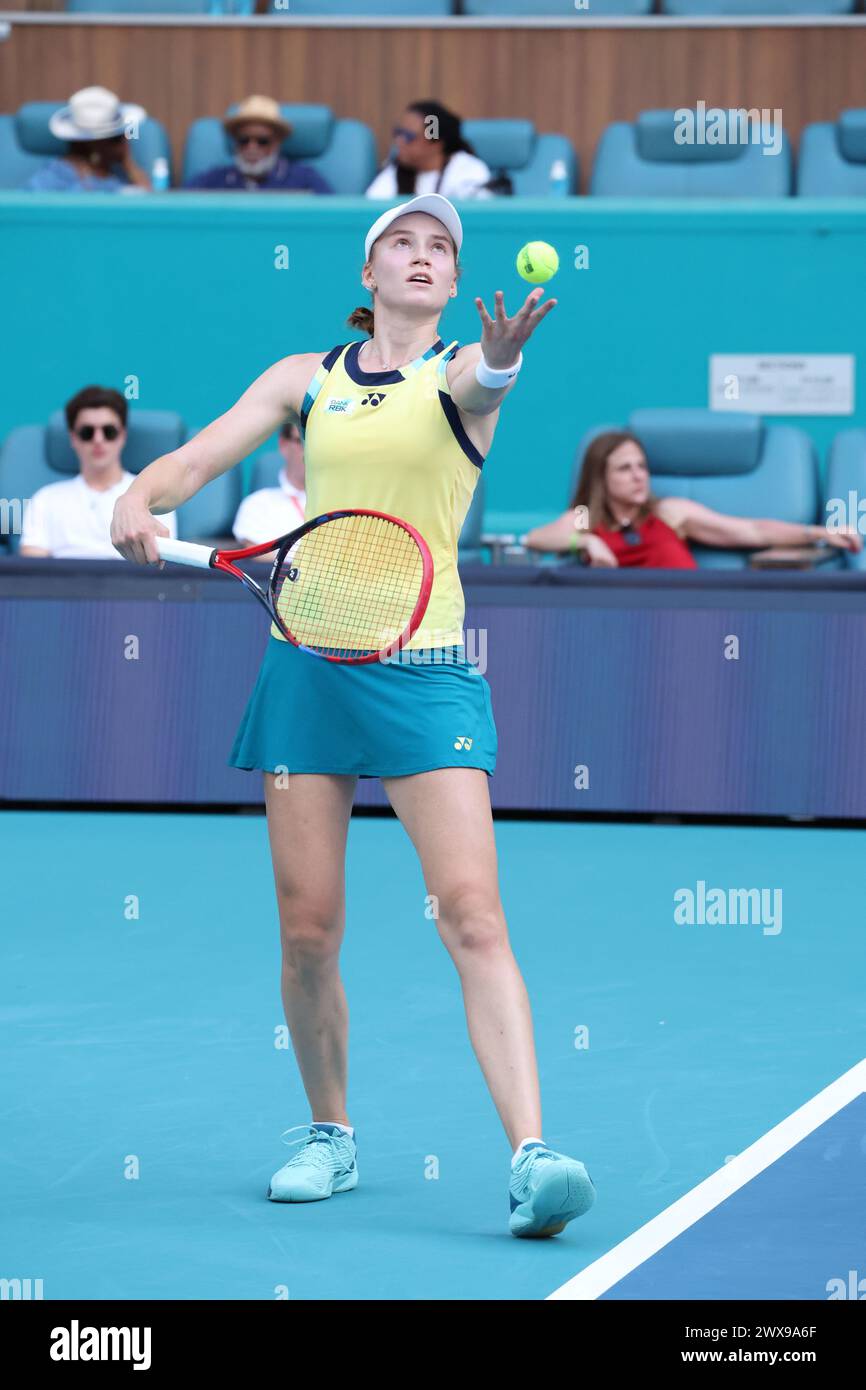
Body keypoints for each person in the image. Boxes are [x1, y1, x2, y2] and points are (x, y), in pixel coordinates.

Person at [110, 192, 596, 1239]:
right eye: (401, 243)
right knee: (307, 929)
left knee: (470, 912)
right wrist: (136, 500)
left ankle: (531, 1154)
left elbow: (486, 378)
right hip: (306, 671)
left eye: (439, 248)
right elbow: (195, 459)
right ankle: (327, 1133)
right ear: (368, 274)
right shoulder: (305, 379)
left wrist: (502, 356)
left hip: (425, 674)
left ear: (454, 284)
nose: (421, 256)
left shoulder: (459, 375)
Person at [523, 431, 862, 567]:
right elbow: (537, 538)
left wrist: (817, 533)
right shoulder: (587, 520)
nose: (639, 475)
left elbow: (752, 531)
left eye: (642, 466)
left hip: (688, 618)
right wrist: (584, 542)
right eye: (625, 469)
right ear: (602, 477)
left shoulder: (670, 513)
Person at [19, 386, 177, 559]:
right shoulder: (45, 499)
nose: (98, 440)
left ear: (123, 435)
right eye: (87, 433)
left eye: (109, 432)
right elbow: (33, 572)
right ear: (73, 438)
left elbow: (162, 565)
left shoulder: (153, 497)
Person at [184, 96, 332, 193]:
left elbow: (334, 221)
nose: (251, 147)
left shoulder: (305, 180)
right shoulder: (215, 180)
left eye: (262, 141)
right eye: (244, 140)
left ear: (277, 142)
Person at [27, 87, 152, 193]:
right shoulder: (57, 174)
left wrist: (129, 164)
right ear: (93, 144)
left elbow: (149, 204)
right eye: (117, 138)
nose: (124, 144)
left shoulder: (118, 173)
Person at [365, 100, 492, 201]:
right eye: (398, 133)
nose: (399, 141)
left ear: (436, 143)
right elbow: (371, 210)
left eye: (408, 136)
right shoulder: (394, 171)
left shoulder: (467, 171)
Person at [232, 421, 306, 561]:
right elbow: (258, 557)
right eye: (302, 442)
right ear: (284, 445)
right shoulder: (257, 504)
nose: (310, 451)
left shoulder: (343, 502)